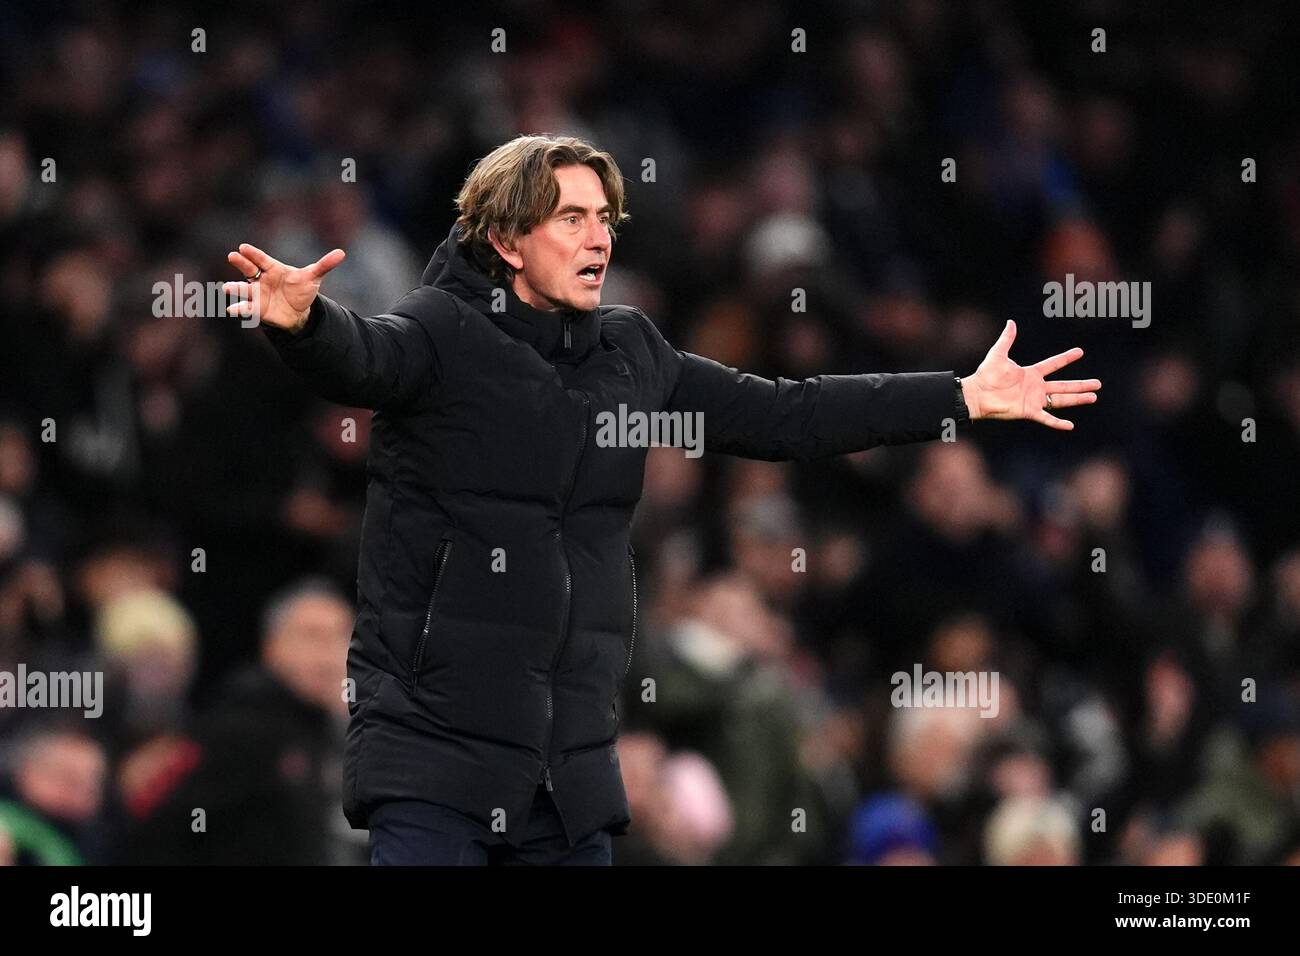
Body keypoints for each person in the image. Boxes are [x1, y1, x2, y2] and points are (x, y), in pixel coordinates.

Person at [223, 134, 1100, 866]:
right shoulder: (439, 330)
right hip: (435, 761)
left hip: (567, 778)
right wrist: (302, 324)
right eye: (571, 218)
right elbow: (363, 358)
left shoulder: (630, 353)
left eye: (604, 219)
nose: (598, 238)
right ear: (507, 239)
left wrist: (958, 395)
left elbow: (786, 415)